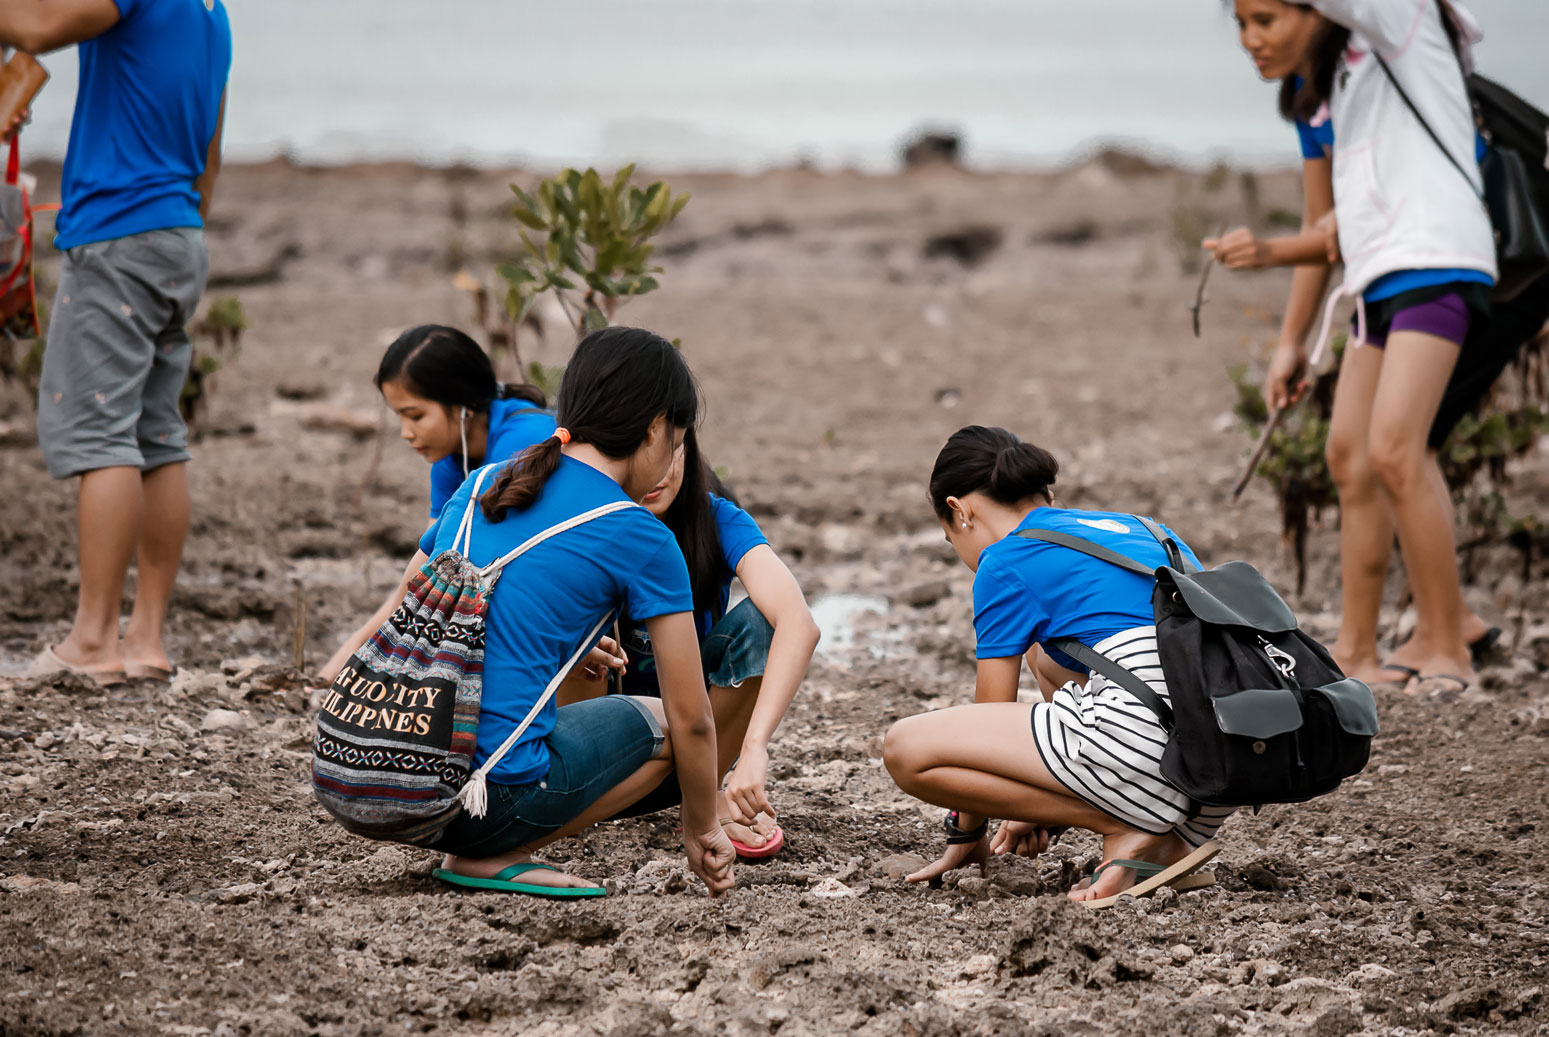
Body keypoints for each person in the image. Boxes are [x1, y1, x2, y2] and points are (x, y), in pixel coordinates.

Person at [1206, 0, 1521, 693]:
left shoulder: (1400, 21)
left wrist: (1271, 254)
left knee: (1395, 449)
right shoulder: (1337, 78)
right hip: (1378, 275)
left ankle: (1446, 646)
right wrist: (1291, 336)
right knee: (1348, 454)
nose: (1248, 39)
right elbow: (1335, 223)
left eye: (1263, 19)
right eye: (1238, 22)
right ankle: (1355, 652)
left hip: (1436, 261)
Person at [413, 326, 735, 897]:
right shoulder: (638, 533)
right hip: (481, 802)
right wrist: (701, 825)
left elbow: (420, 598)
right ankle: (495, 853)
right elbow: (692, 718)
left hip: (391, 768)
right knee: (660, 719)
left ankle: (484, 843)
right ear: (658, 427)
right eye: (678, 437)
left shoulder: (485, 481)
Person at [882, 427, 1231, 905]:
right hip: (1221, 759)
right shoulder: (1145, 528)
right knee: (1046, 653)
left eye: (949, 540)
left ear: (960, 511)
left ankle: (1127, 825)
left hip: (1147, 744)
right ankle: (1165, 838)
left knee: (905, 749)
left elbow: (987, 721)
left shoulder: (1005, 560)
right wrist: (1037, 799)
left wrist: (968, 831)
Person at [5, 0, 231, 686]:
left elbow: (42, 24)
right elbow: (210, 152)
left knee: (100, 433)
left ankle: (93, 636)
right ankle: (145, 638)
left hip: (116, 233)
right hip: (178, 232)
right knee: (156, 433)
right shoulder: (213, 12)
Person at [564, 427, 820, 859]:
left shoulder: (715, 520)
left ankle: (702, 798)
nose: (659, 469)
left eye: (671, 450)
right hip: (591, 751)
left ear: (688, 448)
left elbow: (798, 621)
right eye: (638, 447)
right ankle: (570, 791)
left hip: (688, 755)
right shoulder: (586, 517)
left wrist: (755, 747)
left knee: (763, 622)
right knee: (576, 619)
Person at [316, 325, 556, 684]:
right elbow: (428, 569)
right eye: (399, 416)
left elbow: (439, 567)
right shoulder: (450, 459)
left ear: (464, 407)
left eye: (415, 416)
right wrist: (353, 653)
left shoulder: (524, 444)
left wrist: (359, 658)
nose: (405, 432)